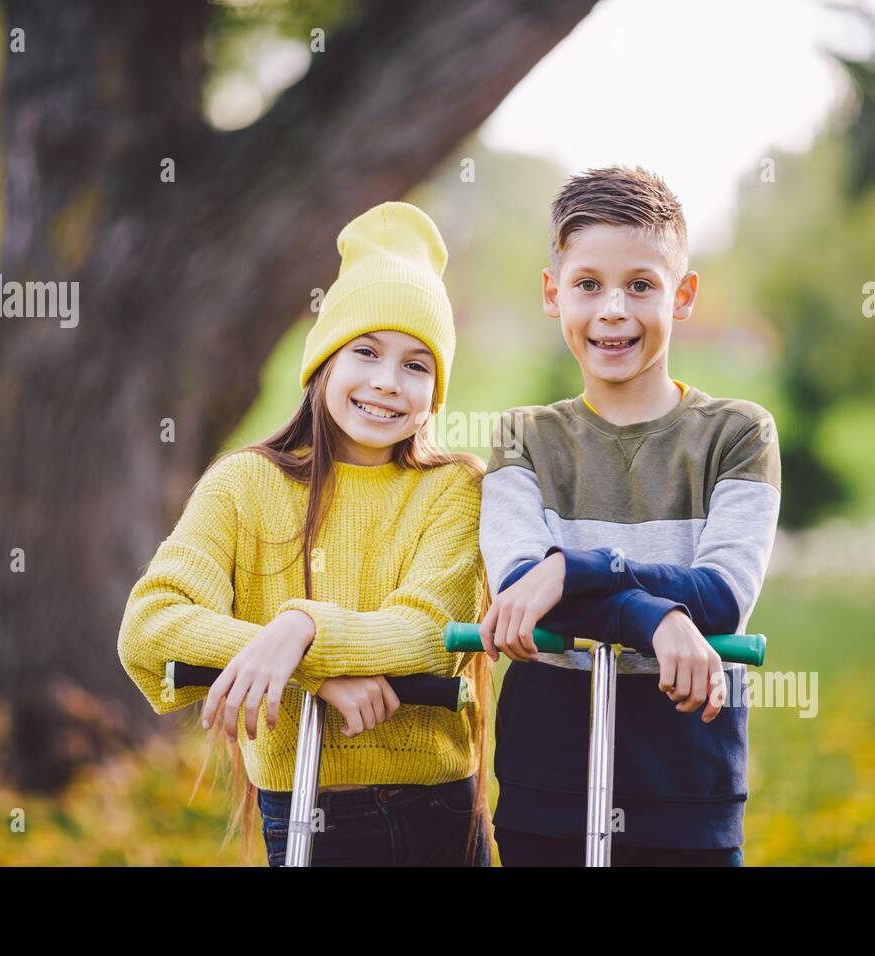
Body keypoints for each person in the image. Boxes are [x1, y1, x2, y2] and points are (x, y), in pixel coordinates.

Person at [118, 201, 492, 866]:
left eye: (416, 365)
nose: (386, 383)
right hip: (306, 813)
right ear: (324, 361)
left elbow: (432, 637)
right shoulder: (244, 484)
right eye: (367, 351)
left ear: (436, 391)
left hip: (436, 812)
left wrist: (301, 631)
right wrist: (309, 676)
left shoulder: (455, 487)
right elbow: (151, 626)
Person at [478, 166, 781, 866]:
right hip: (547, 783)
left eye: (641, 285)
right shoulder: (522, 437)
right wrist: (655, 616)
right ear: (554, 295)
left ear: (684, 297)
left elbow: (722, 599)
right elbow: (524, 588)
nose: (613, 309)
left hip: (686, 787)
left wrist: (575, 570)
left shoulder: (738, 434)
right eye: (588, 284)